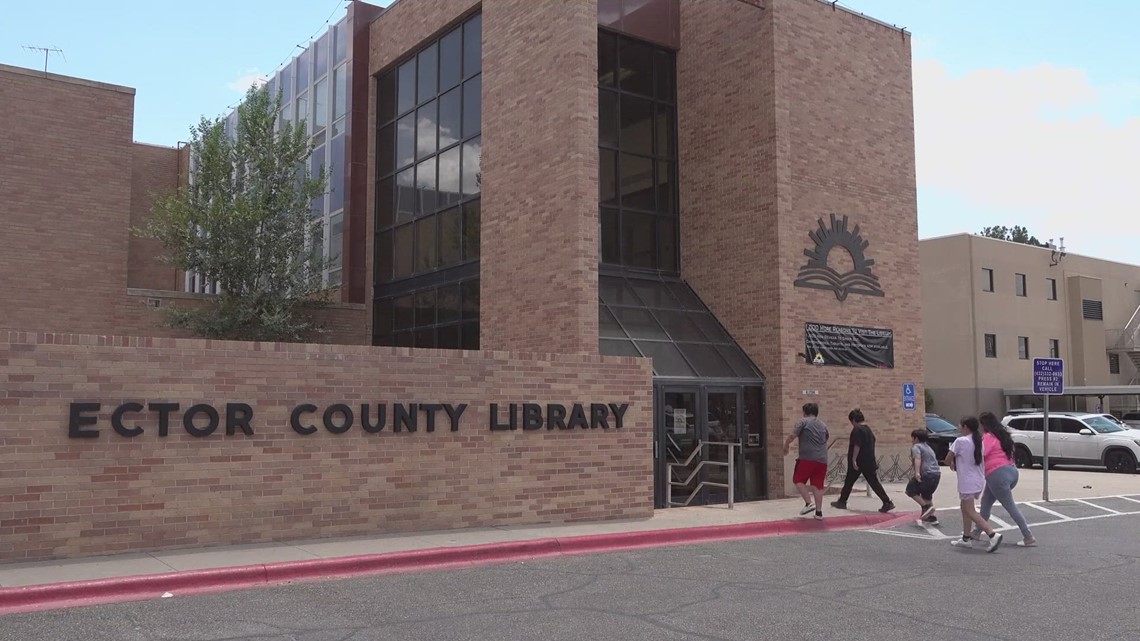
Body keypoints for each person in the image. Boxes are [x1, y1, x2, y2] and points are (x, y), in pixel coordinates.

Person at [972, 412, 1037, 547]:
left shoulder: (989, 437)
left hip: (997, 474)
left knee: (1010, 506)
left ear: (984, 425)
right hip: (1011, 472)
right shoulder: (1003, 436)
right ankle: (977, 532)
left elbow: (982, 453)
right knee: (986, 502)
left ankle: (1028, 536)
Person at [945, 416, 1003, 552]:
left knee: (970, 510)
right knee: (964, 508)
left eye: (960, 426)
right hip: (977, 479)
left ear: (965, 427)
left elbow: (947, 459)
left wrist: (953, 462)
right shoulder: (978, 441)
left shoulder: (960, 441)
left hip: (967, 481)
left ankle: (992, 534)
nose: (959, 428)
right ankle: (966, 538)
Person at [831, 409, 895, 513]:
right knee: (873, 482)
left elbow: (857, 445)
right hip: (869, 460)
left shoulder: (857, 429)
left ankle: (842, 501)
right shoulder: (868, 430)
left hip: (859, 461)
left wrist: (853, 459)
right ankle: (887, 502)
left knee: (849, 481)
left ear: (853, 420)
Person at [783, 402, 829, 520]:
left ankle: (809, 503)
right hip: (822, 459)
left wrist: (786, 445)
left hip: (807, 458)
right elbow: (826, 438)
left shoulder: (803, 422)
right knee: (817, 486)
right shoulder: (823, 425)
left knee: (798, 480)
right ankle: (819, 512)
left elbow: (792, 435)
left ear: (805, 412)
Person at [905, 429, 941, 525]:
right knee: (927, 495)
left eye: (912, 438)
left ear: (916, 438)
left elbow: (917, 459)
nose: (912, 440)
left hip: (927, 473)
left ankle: (926, 507)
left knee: (910, 490)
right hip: (936, 474)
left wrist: (917, 473)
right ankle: (931, 517)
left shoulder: (916, 447)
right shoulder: (929, 448)